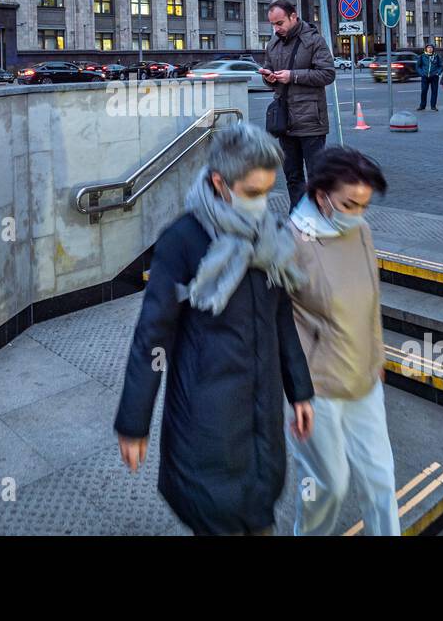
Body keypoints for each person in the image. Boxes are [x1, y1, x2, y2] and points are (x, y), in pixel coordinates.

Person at [115, 123, 315, 536]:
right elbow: (152, 336)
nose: (262, 204)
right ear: (219, 183)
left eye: (268, 191)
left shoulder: (269, 235)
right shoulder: (183, 241)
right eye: (253, 192)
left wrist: (300, 389)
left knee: (259, 511)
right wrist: (134, 422)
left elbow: (282, 317)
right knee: (219, 514)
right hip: (204, 424)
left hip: (261, 416)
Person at [287, 147, 399, 536]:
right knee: (328, 485)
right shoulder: (291, 242)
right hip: (318, 387)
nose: (357, 214)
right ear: (321, 195)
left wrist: (378, 355)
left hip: (364, 377)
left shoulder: (360, 231)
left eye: (364, 205)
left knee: (381, 480)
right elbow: (278, 324)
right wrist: (295, 390)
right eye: (350, 204)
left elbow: (371, 297)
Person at [260, 0, 337, 208]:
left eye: (280, 23)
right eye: (273, 24)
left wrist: (293, 76)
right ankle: (298, 219)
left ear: (293, 16)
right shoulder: (273, 44)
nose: (276, 29)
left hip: (311, 121)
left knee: (316, 177)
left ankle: (319, 220)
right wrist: (269, 77)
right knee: (292, 176)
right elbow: (270, 74)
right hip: (285, 122)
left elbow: (328, 74)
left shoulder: (313, 41)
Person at [415, 44, 442, 111]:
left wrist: (438, 73)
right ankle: (422, 106)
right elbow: (418, 66)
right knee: (424, 91)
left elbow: (441, 66)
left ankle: (433, 106)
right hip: (425, 77)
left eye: (431, 48)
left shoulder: (436, 56)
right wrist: (421, 73)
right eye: (428, 47)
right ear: (426, 49)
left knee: (434, 92)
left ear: (433, 49)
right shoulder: (422, 56)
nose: (430, 49)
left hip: (434, 77)